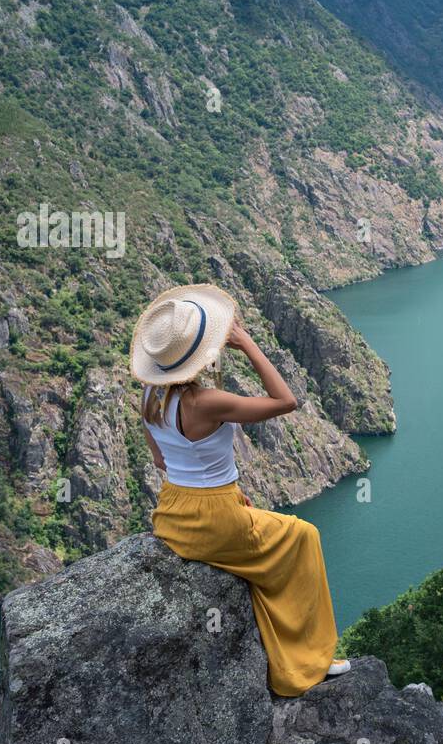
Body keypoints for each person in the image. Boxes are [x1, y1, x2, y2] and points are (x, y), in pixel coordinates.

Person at [129, 284, 349, 695]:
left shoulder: (150, 396)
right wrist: (247, 343)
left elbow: (161, 461)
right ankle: (309, 661)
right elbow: (285, 401)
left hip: (173, 515)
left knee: (262, 542)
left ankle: (281, 645)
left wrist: (218, 492)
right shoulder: (206, 402)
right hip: (217, 521)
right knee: (305, 537)